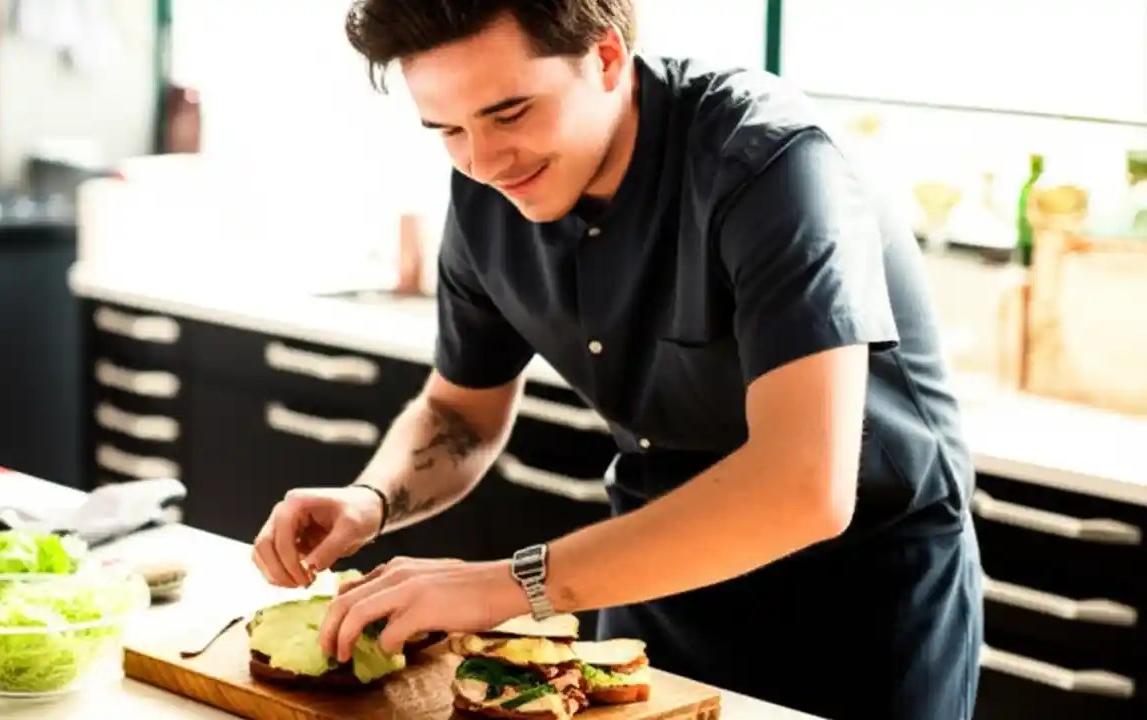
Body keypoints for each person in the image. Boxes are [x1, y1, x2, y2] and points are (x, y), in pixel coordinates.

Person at [250, 2, 984, 718]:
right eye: (447, 129)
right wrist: (373, 498)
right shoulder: (488, 186)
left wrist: (505, 584)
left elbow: (803, 489)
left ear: (605, 57)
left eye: (510, 113)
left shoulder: (772, 165)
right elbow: (459, 409)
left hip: (858, 613)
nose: (482, 160)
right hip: (648, 589)